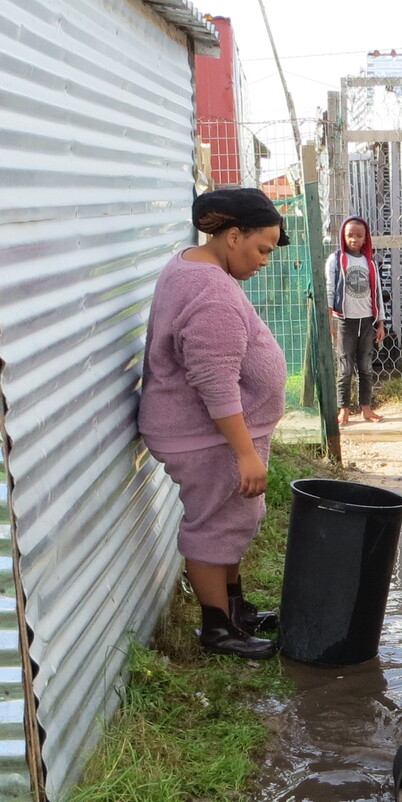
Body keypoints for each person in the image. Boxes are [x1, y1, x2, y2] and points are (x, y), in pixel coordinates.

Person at [139, 188, 288, 660]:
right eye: (261, 249)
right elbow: (214, 380)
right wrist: (244, 451)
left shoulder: (194, 268)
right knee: (214, 524)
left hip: (209, 432)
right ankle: (218, 629)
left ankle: (235, 610)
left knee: (235, 517)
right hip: (204, 436)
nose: (265, 260)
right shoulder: (210, 291)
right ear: (232, 235)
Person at [325, 216, 384, 425]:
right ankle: (344, 410)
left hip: (367, 320)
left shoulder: (369, 262)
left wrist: (381, 322)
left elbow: (376, 292)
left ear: (365, 238)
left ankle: (366, 409)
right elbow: (330, 290)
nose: (354, 240)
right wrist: (330, 319)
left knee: (366, 366)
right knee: (345, 366)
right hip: (344, 321)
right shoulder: (336, 259)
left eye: (359, 236)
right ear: (343, 236)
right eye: (350, 235)